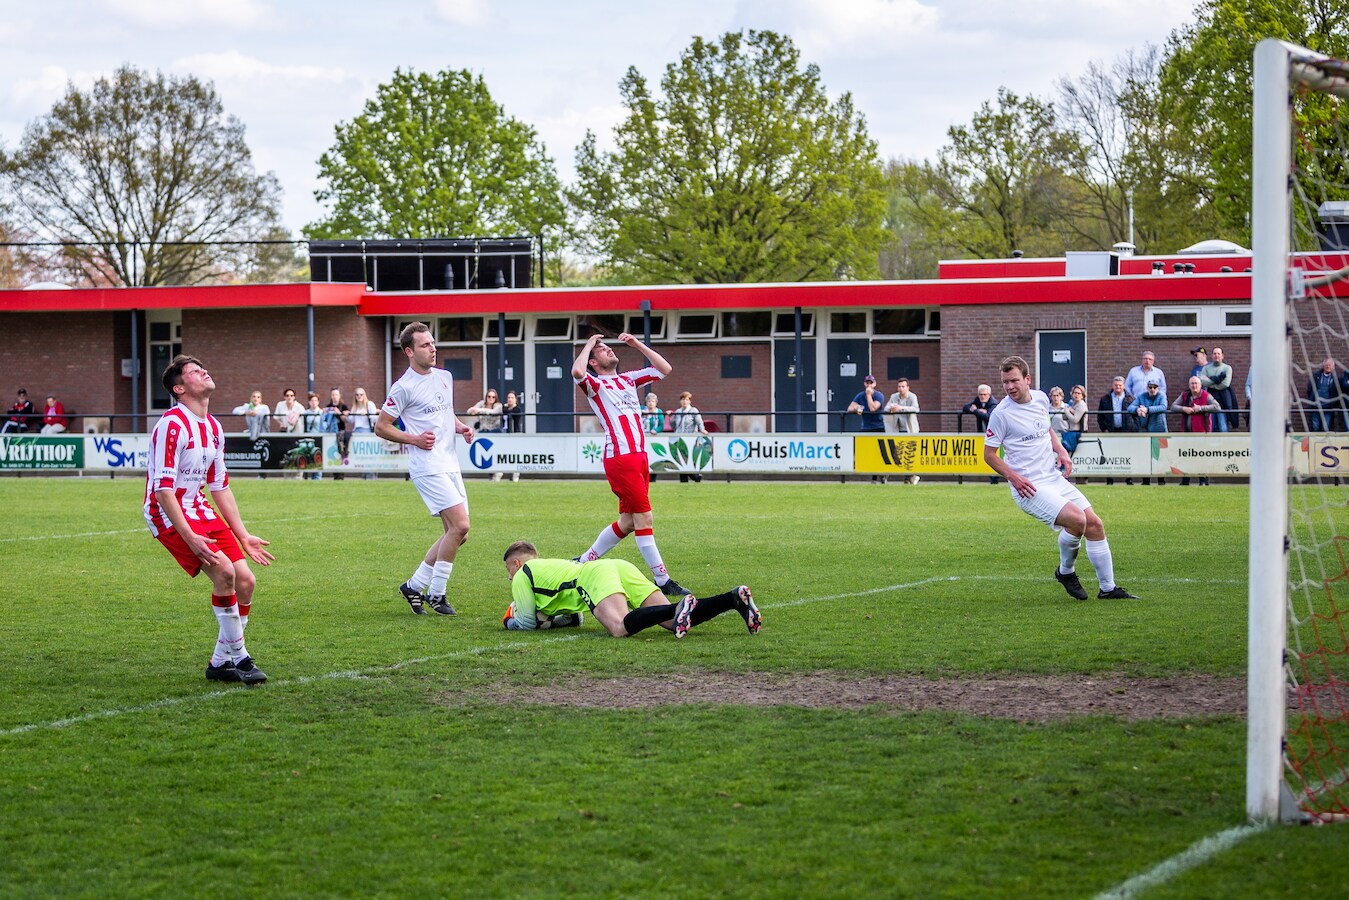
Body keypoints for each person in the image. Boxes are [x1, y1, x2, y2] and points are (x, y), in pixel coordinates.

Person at [144, 355, 275, 684]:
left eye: (203, 368)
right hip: (168, 513)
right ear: (180, 388)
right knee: (225, 573)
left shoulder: (214, 427)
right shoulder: (171, 425)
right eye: (193, 371)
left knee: (246, 581)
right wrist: (189, 536)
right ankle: (241, 659)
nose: (204, 371)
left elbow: (220, 486)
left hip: (199, 507)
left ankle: (220, 662)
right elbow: (162, 492)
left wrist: (243, 535)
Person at [981, 356, 1139, 601]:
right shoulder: (1001, 414)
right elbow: (989, 455)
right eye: (1005, 382)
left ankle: (1108, 589)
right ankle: (1066, 572)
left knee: (1094, 524)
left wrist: (1061, 450)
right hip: (1029, 487)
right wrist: (1014, 477)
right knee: (1077, 520)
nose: (1009, 387)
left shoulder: (1042, 398)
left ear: (1027, 379)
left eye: (1014, 381)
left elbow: (1046, 429)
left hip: (1052, 478)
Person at [571, 332, 688, 597]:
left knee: (627, 521)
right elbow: (577, 371)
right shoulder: (595, 384)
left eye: (608, 347)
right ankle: (662, 579)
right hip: (621, 458)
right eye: (603, 351)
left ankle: (584, 562)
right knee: (644, 517)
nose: (609, 350)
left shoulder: (627, 379)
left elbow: (664, 368)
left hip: (639, 455)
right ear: (594, 362)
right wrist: (590, 343)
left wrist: (636, 344)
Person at [374, 322, 477, 617]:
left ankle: (414, 585)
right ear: (409, 351)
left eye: (432, 343)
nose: (432, 349)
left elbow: (445, 413)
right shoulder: (403, 387)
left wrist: (460, 428)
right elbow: (381, 427)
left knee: (457, 534)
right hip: (427, 466)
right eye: (424, 345)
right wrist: (414, 439)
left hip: (450, 463)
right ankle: (437, 593)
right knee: (461, 526)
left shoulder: (445, 377)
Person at [500, 541, 760, 639]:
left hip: (594, 575)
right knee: (672, 622)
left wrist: (510, 621)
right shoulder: (549, 568)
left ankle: (678, 606)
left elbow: (525, 622)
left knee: (619, 627)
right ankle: (732, 598)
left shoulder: (524, 573)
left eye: (508, 571)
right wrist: (553, 621)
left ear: (517, 562)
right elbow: (574, 618)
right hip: (617, 567)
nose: (509, 578)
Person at [1172, 375, 1219, 486]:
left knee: (1201, 456)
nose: (1194, 386)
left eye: (1196, 383)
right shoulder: (1184, 395)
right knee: (1186, 456)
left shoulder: (1206, 395)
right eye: (1192, 383)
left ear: (1200, 385)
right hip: (1187, 432)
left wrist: (1201, 408)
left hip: (1202, 432)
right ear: (1189, 385)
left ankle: (1203, 480)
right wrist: (1184, 408)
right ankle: (1185, 480)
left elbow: (1217, 407)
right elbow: (1173, 406)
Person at [884, 378, 921, 484]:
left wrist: (901, 408)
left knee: (909, 454)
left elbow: (916, 409)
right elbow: (886, 408)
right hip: (897, 429)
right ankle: (908, 476)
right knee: (897, 453)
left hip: (910, 430)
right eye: (899, 386)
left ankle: (909, 477)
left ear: (908, 388)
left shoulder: (912, 397)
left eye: (903, 386)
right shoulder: (893, 396)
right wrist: (892, 408)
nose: (900, 389)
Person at [963, 384, 999, 484]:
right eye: (980, 394)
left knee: (992, 456)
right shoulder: (978, 401)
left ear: (989, 395)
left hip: (993, 434)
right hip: (982, 434)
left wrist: (975, 411)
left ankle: (995, 478)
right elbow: (965, 408)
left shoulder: (993, 403)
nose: (982, 397)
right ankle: (991, 478)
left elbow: (988, 417)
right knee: (985, 456)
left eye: (984, 394)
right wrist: (978, 411)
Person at [670, 390, 709, 483]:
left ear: (689, 401)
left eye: (686, 399)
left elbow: (699, 421)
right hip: (679, 439)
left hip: (690, 439)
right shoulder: (678, 411)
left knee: (688, 459)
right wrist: (671, 418)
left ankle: (695, 476)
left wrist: (702, 430)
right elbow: (674, 426)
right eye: (682, 399)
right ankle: (685, 481)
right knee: (680, 459)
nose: (684, 401)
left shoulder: (693, 410)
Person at [1199, 347, 1236, 433]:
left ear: (1222, 356)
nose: (1216, 355)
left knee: (1223, 427)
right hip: (1210, 400)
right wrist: (1218, 380)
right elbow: (1202, 381)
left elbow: (1226, 384)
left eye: (1218, 354)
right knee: (1212, 427)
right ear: (1212, 356)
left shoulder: (1227, 368)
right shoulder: (1206, 368)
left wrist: (1211, 382)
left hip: (1223, 401)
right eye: (1215, 354)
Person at [1307, 358, 1342, 432]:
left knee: (1325, 429)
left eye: (1329, 365)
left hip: (1328, 408)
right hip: (1316, 407)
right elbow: (1309, 389)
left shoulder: (1336, 379)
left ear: (1333, 367)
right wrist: (1311, 400)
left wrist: (1334, 405)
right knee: (1316, 427)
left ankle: (1324, 444)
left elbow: (1338, 393)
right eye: (1326, 365)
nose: (1328, 367)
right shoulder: (1316, 376)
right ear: (1323, 366)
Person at [323, 388, 351, 469]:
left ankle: (342, 465)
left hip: (340, 430)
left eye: (336, 395)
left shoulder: (344, 406)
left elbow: (346, 420)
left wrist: (339, 413)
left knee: (340, 448)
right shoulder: (328, 406)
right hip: (330, 432)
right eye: (333, 395)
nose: (334, 397)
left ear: (339, 396)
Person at [1062, 385, 1089, 455]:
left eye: (1078, 393)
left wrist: (1067, 411)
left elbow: (1075, 420)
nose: (1076, 395)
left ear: (1082, 395)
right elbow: (1064, 417)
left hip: (1077, 432)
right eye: (1074, 393)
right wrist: (1068, 410)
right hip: (1070, 431)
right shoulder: (1072, 404)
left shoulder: (1081, 405)